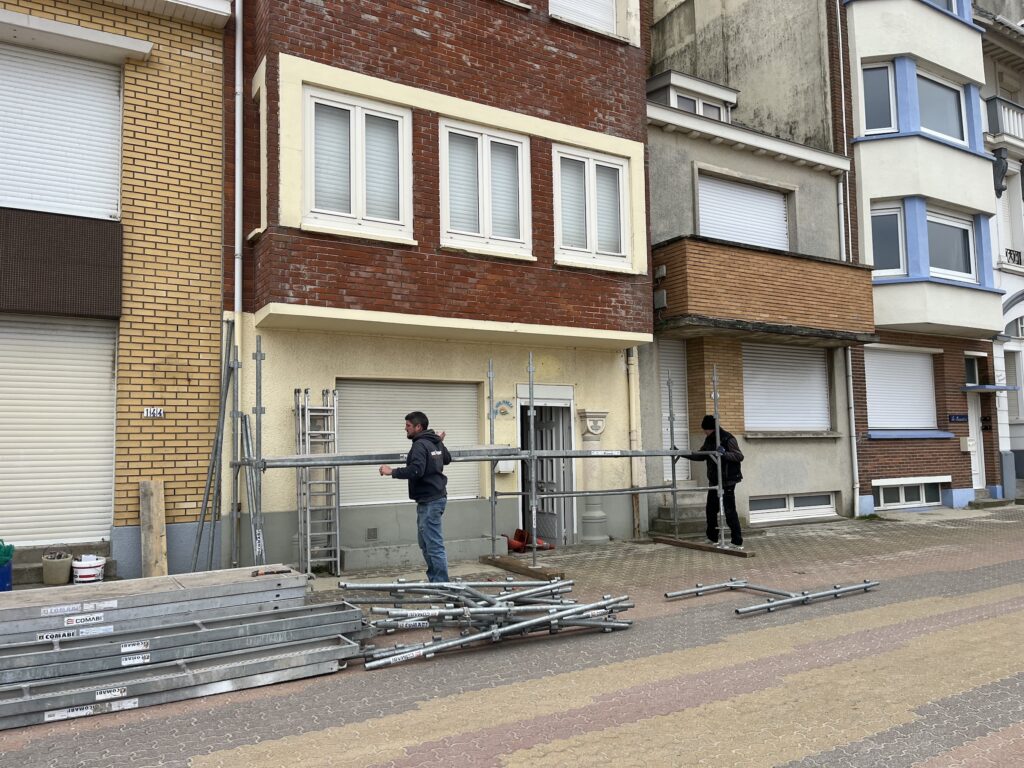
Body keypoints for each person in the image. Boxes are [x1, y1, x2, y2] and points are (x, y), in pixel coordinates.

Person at [379, 411, 452, 582]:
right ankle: (436, 581)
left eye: (408, 426)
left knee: (433, 545)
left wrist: (392, 471)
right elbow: (446, 459)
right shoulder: (434, 441)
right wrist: (439, 443)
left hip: (431, 501)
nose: (405, 429)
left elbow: (416, 470)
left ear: (418, 427)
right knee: (426, 543)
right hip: (433, 498)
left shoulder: (420, 444)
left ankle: (442, 586)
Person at [684, 414, 744, 548]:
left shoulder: (728, 438)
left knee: (729, 511)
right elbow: (701, 455)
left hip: (728, 480)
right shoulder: (709, 440)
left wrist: (724, 454)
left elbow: (739, 456)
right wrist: (682, 453)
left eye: (705, 429)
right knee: (710, 510)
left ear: (710, 428)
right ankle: (712, 538)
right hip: (715, 481)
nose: (704, 432)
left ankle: (737, 541)